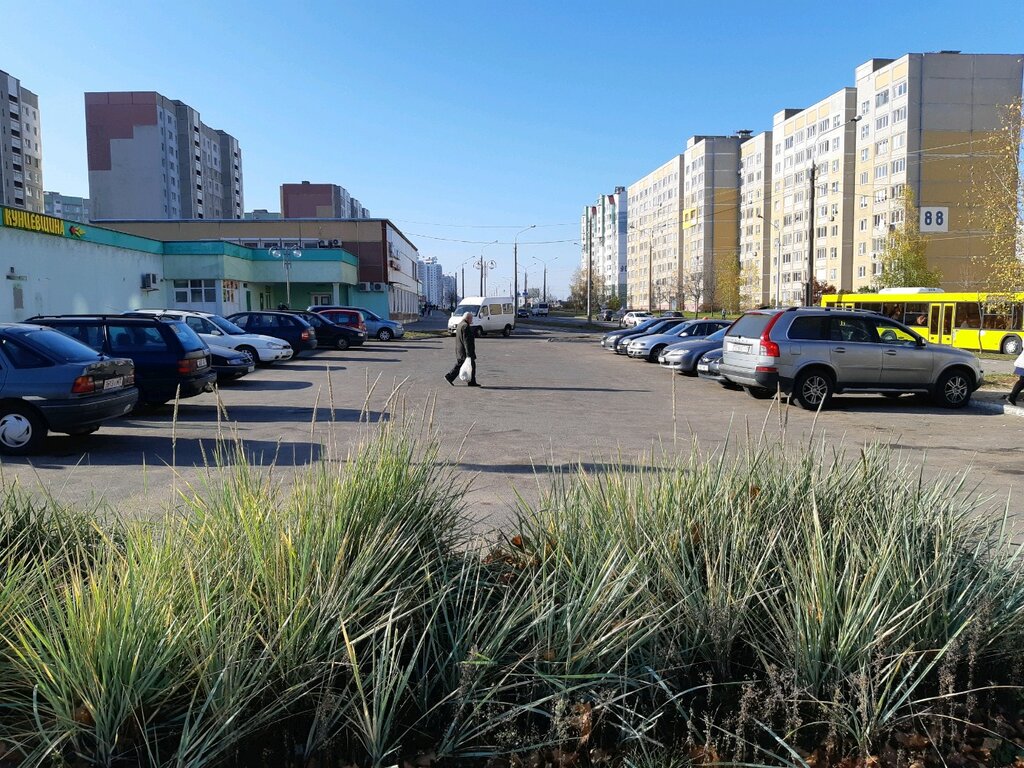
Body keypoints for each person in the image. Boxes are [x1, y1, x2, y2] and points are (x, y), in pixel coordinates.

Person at [444, 312, 479, 387]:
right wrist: (469, 354)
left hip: (460, 349)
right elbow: (467, 341)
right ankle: (450, 377)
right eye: (471, 318)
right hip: (465, 351)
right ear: (468, 318)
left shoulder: (460, 324)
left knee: (461, 364)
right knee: (470, 365)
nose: (472, 320)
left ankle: (450, 377)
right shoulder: (465, 326)